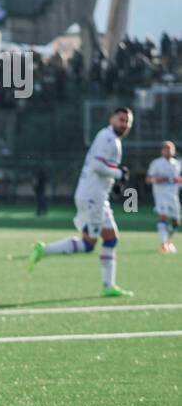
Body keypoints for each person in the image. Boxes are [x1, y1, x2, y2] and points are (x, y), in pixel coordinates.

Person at [27, 108, 134, 296]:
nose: (124, 124)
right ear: (112, 119)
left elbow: (103, 168)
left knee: (110, 238)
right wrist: (119, 174)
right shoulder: (108, 137)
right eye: (121, 119)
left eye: (127, 122)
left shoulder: (112, 139)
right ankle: (44, 250)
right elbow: (97, 165)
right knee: (88, 245)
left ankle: (109, 286)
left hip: (98, 197)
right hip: (93, 197)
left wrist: (115, 181)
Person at [146, 140, 181, 253]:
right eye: (166, 148)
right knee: (163, 216)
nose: (168, 151)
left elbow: (178, 180)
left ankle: (168, 241)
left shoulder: (177, 164)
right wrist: (158, 179)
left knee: (176, 222)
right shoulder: (156, 163)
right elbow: (148, 179)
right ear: (162, 151)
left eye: (171, 149)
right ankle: (164, 244)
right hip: (161, 195)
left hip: (173, 196)